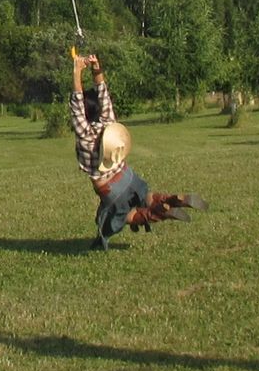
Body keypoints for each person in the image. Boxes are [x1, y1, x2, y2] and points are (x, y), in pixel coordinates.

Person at [69, 50, 203, 250]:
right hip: (127, 175)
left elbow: (77, 104)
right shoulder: (109, 120)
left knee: (120, 217)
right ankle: (170, 200)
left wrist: (76, 71)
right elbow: (102, 90)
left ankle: (158, 213)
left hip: (110, 188)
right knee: (146, 196)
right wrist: (96, 67)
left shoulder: (85, 134)